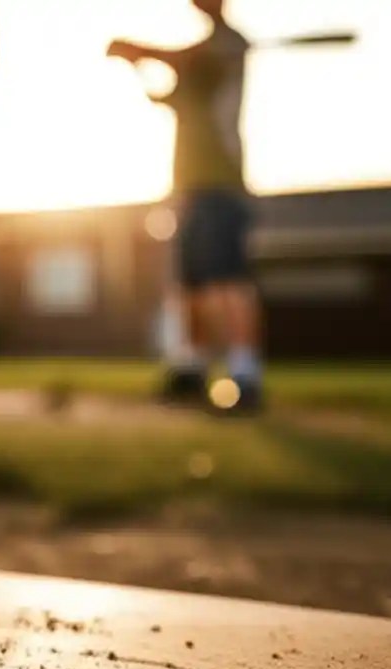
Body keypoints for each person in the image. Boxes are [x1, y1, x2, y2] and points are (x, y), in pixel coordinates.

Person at [108, 0, 265, 414]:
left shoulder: (227, 45)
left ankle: (246, 373)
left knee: (228, 281)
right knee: (191, 285)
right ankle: (191, 368)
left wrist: (138, 49)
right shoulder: (194, 67)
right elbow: (167, 98)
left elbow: (185, 58)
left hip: (222, 184)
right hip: (188, 189)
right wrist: (137, 65)